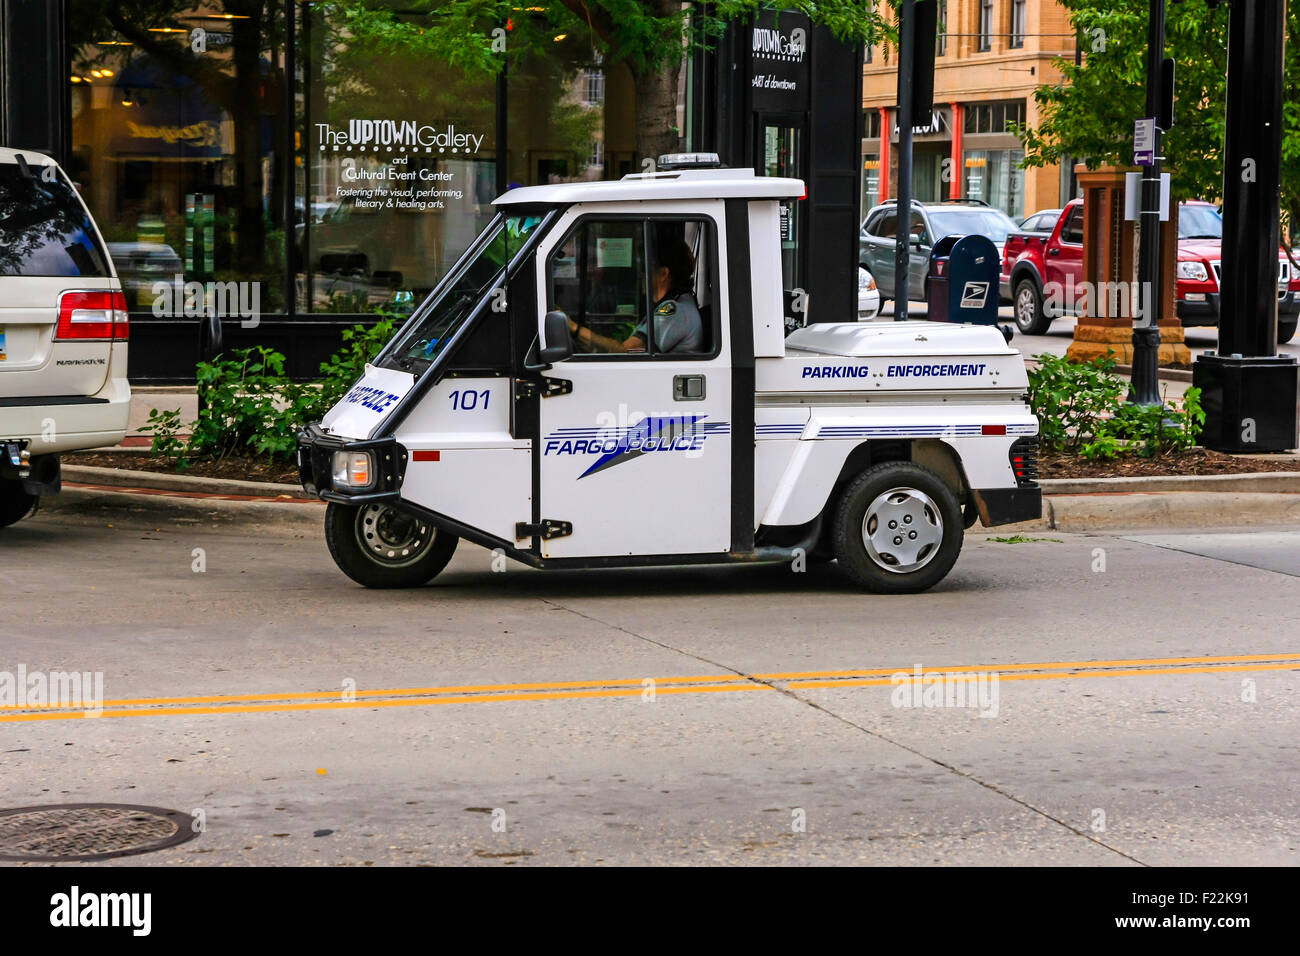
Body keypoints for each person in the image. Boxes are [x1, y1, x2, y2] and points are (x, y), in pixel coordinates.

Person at [568, 240, 704, 354]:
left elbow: (624, 352)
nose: (640, 275)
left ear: (663, 274)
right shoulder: (677, 303)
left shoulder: (674, 311)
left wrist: (573, 327)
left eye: (645, 269)